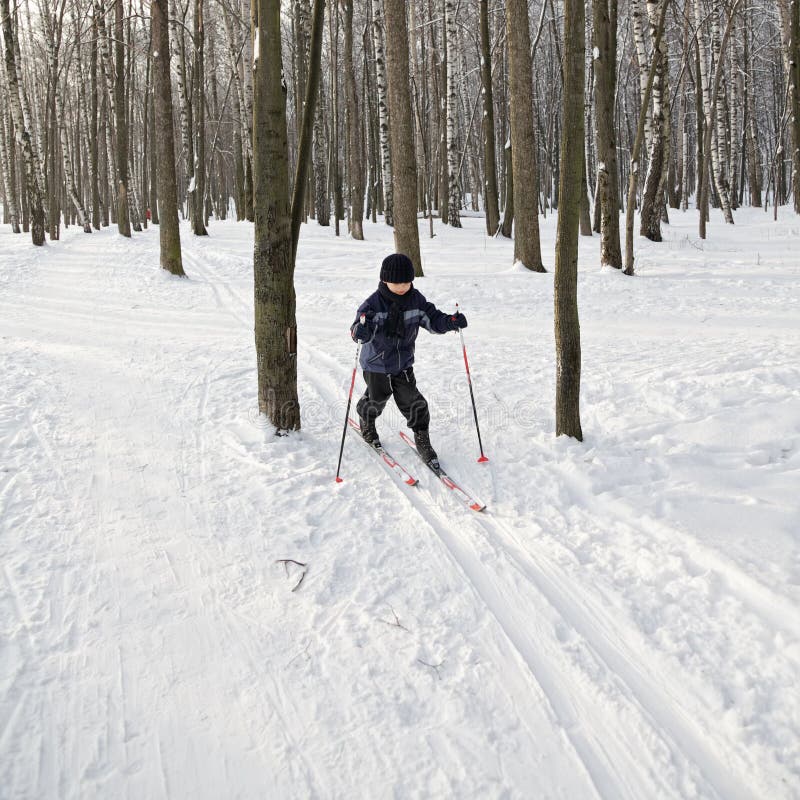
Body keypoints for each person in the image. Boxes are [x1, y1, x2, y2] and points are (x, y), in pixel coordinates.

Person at [350, 253, 467, 465]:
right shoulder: (373, 304)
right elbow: (357, 327)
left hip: (403, 363)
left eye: (406, 281)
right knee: (377, 398)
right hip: (376, 363)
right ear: (385, 280)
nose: (403, 286)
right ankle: (366, 418)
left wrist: (450, 322)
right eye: (397, 282)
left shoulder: (416, 300)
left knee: (414, 402)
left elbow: (433, 319)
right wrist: (361, 331)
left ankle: (422, 438)